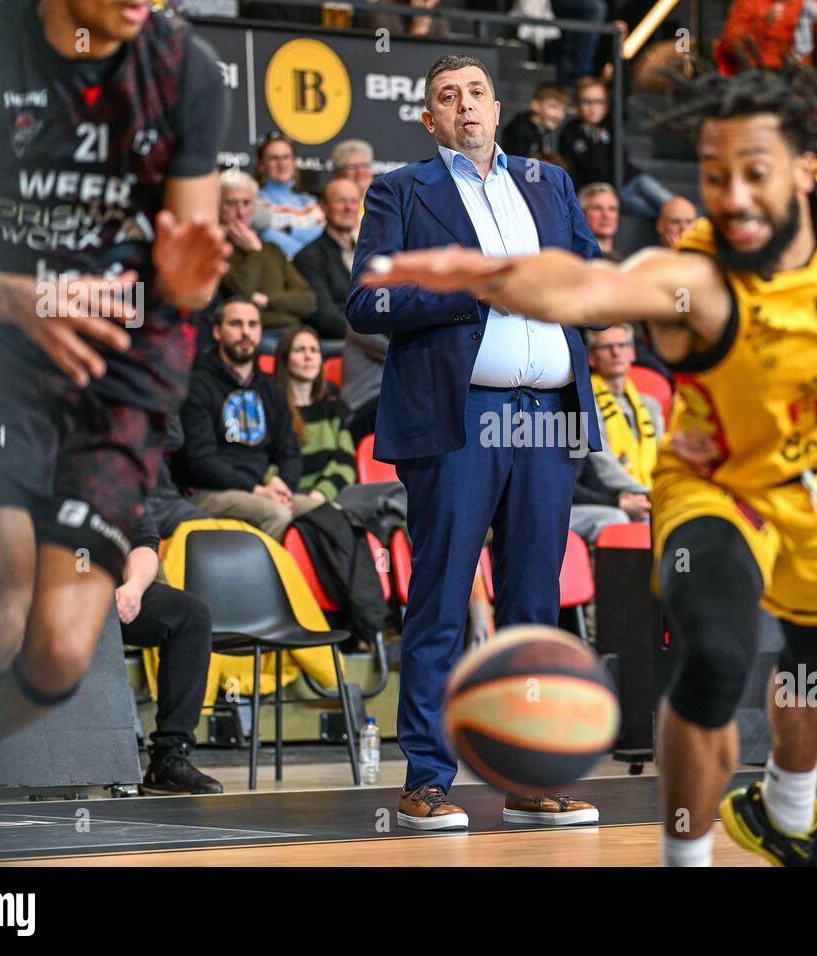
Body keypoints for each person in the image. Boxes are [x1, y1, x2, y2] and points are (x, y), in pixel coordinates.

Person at [362, 12, 817, 866]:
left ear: (809, 169)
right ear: (428, 116)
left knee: (814, 671)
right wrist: (481, 281)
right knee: (713, 653)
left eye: (756, 175)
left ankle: (782, 803)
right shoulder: (691, 269)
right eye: (715, 175)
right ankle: (661, 848)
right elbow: (592, 283)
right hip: (705, 477)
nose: (731, 198)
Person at [0, 0, 229, 865]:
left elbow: (188, 279)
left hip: (114, 387)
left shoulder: (191, 72)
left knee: (61, 653)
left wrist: (184, 278)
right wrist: (20, 300)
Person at [346, 54, 604, 832]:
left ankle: (529, 775)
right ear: (430, 121)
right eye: (446, 97)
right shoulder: (402, 190)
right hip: (461, 419)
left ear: (498, 108)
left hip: (548, 416)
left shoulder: (550, 183)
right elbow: (367, 298)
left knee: (534, 602)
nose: (465, 105)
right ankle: (426, 777)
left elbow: (592, 276)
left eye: (477, 93)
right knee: (443, 597)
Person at [178, 299, 321, 539]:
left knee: (322, 512)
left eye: (253, 324)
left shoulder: (270, 388)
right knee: (275, 514)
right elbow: (199, 461)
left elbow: (290, 452)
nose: (246, 332)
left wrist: (283, 484)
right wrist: (256, 489)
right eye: (236, 324)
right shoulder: (197, 385)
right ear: (216, 331)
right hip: (207, 492)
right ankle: (274, 577)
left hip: (260, 490)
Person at [116, 508, 222, 796]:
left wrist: (133, 589)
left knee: (190, 615)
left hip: (112, 591)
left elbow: (144, 544)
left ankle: (169, 758)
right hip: (48, 590)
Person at [571, 325, 661, 543]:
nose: (616, 352)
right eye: (607, 347)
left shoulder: (650, 405)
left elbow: (661, 454)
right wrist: (646, 494)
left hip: (647, 494)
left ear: (632, 353)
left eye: (622, 345)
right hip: (608, 494)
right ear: (592, 358)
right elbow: (600, 462)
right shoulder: (582, 401)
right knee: (637, 520)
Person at [219, 169, 317, 346]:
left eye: (247, 203)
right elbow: (242, 294)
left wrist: (267, 301)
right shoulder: (216, 250)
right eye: (231, 204)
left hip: (292, 335)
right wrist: (253, 251)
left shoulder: (272, 250)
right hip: (253, 338)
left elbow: (308, 300)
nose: (241, 212)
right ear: (217, 206)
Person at [559, 76, 675, 216]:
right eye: (586, 102)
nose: (593, 107)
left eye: (598, 102)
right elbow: (571, 171)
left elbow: (621, 97)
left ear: (606, 105)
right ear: (577, 105)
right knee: (662, 213)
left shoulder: (610, 123)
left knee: (671, 204)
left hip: (633, 178)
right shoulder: (570, 132)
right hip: (613, 192)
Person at [272, 327, 357, 503]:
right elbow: (266, 464)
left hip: (333, 493)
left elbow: (345, 460)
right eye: (299, 350)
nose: (308, 356)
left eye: (314, 350)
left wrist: (322, 493)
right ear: (285, 358)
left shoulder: (333, 407)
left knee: (397, 492)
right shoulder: (273, 409)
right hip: (293, 497)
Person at [294, 177, 361, 341]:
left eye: (353, 201)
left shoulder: (370, 252)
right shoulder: (308, 257)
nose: (348, 208)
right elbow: (325, 317)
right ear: (323, 207)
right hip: (338, 343)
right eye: (341, 201)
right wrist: (372, 336)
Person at [255, 132, 325, 258]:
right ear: (261, 166)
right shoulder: (255, 201)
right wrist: (307, 257)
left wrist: (289, 230)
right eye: (274, 158)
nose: (281, 164)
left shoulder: (309, 201)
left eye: (286, 157)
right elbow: (267, 236)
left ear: (293, 162)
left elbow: (323, 236)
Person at [716, 0, 817, 70]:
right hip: (759, 74)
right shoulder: (748, 3)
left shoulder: (806, 4)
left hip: (799, 75)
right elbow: (729, 46)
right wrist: (763, 25)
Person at [502, 82, 570, 156]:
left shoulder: (548, 132)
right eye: (553, 107)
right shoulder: (517, 131)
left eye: (564, 110)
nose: (560, 115)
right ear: (536, 105)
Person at [580, 182, 623, 261]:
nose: (606, 215)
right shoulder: (575, 259)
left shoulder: (630, 262)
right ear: (582, 214)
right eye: (597, 208)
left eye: (612, 209)